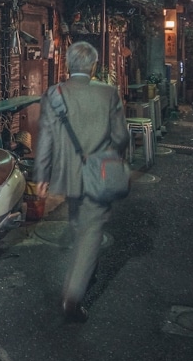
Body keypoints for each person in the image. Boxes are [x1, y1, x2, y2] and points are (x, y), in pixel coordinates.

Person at [34, 40, 128, 323]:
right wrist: (109, 156)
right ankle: (72, 299)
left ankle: (86, 269)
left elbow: (46, 138)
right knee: (90, 232)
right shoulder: (109, 93)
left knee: (80, 223)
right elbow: (121, 137)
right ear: (94, 66)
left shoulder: (54, 93)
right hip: (99, 173)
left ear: (68, 65)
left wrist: (42, 175)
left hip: (69, 175)